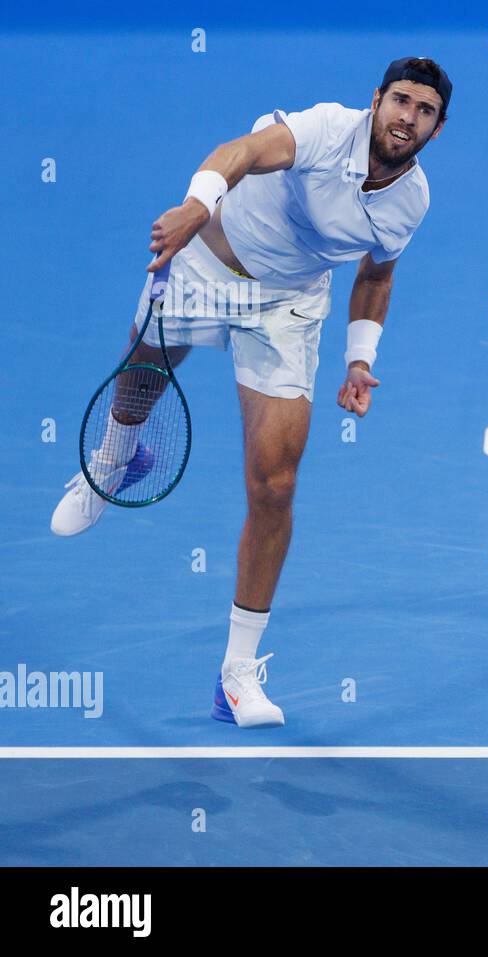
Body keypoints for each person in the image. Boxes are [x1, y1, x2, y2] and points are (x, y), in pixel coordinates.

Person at [50, 56, 452, 728]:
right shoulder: (327, 129)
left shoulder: (412, 200)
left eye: (426, 111)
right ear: (377, 99)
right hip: (206, 264)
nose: (408, 118)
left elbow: (376, 275)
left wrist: (360, 359)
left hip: (286, 308)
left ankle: (236, 673)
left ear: (439, 128)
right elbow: (238, 152)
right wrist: (195, 207)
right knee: (139, 380)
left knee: (274, 486)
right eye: (401, 101)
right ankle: (117, 455)